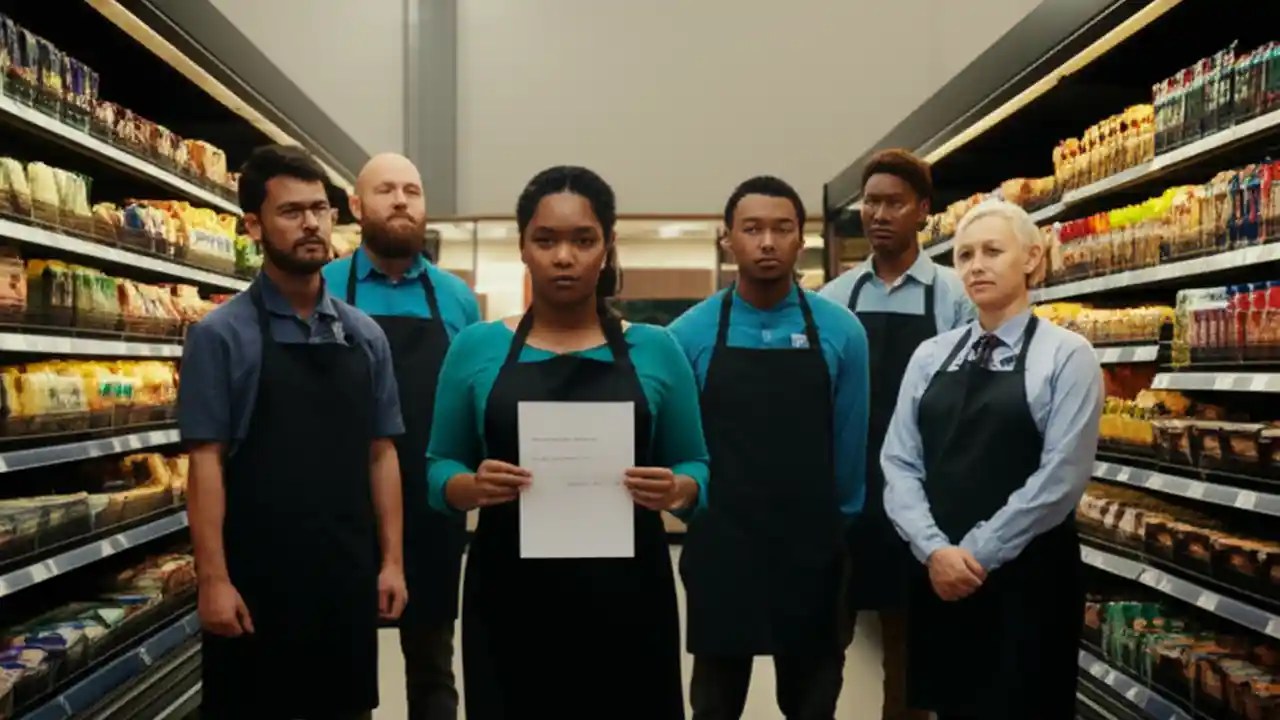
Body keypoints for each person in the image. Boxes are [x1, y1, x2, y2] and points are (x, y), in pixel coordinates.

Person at [425, 165, 710, 719]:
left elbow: (698, 465)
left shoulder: (656, 349)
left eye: (583, 240)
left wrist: (678, 488)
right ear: (523, 247)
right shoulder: (476, 348)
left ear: (607, 246)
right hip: (509, 601)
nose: (563, 257)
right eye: (546, 240)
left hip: (628, 603)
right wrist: (469, 486)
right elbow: (439, 467)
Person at [179, 144, 409, 720]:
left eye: (319, 209)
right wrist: (213, 580)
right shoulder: (220, 336)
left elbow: (381, 454)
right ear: (253, 225)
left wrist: (392, 562)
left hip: (344, 580)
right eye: (291, 211)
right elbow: (205, 463)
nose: (310, 223)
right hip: (256, 587)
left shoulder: (365, 337)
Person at [882, 199, 1103, 720]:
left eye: (992, 251)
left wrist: (978, 553)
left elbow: (1061, 478)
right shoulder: (931, 356)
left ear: (1031, 258)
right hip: (940, 574)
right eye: (964, 255)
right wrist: (933, 549)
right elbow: (899, 463)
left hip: (1027, 578)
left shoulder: (1067, 355)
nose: (975, 266)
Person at [669, 175, 870, 720]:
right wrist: (695, 514)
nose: (766, 242)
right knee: (715, 703)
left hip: (813, 551)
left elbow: (850, 446)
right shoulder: (688, 335)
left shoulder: (842, 332)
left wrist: (834, 527)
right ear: (727, 238)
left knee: (812, 704)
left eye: (782, 229)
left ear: (801, 239)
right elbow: (679, 445)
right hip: (722, 549)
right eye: (752, 229)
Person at [321, 153, 480, 720]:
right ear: (356, 206)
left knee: (433, 665)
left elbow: (472, 396)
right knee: (339, 670)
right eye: (385, 190)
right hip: (337, 506)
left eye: (411, 191)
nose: (400, 201)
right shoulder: (321, 286)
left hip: (432, 508)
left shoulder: (456, 298)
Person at [817, 149, 973, 720]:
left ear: (923, 211)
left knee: (908, 651)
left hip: (921, 498)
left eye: (894, 203)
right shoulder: (834, 300)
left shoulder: (955, 295)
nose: (879, 214)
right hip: (848, 494)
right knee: (823, 644)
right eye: (871, 202)